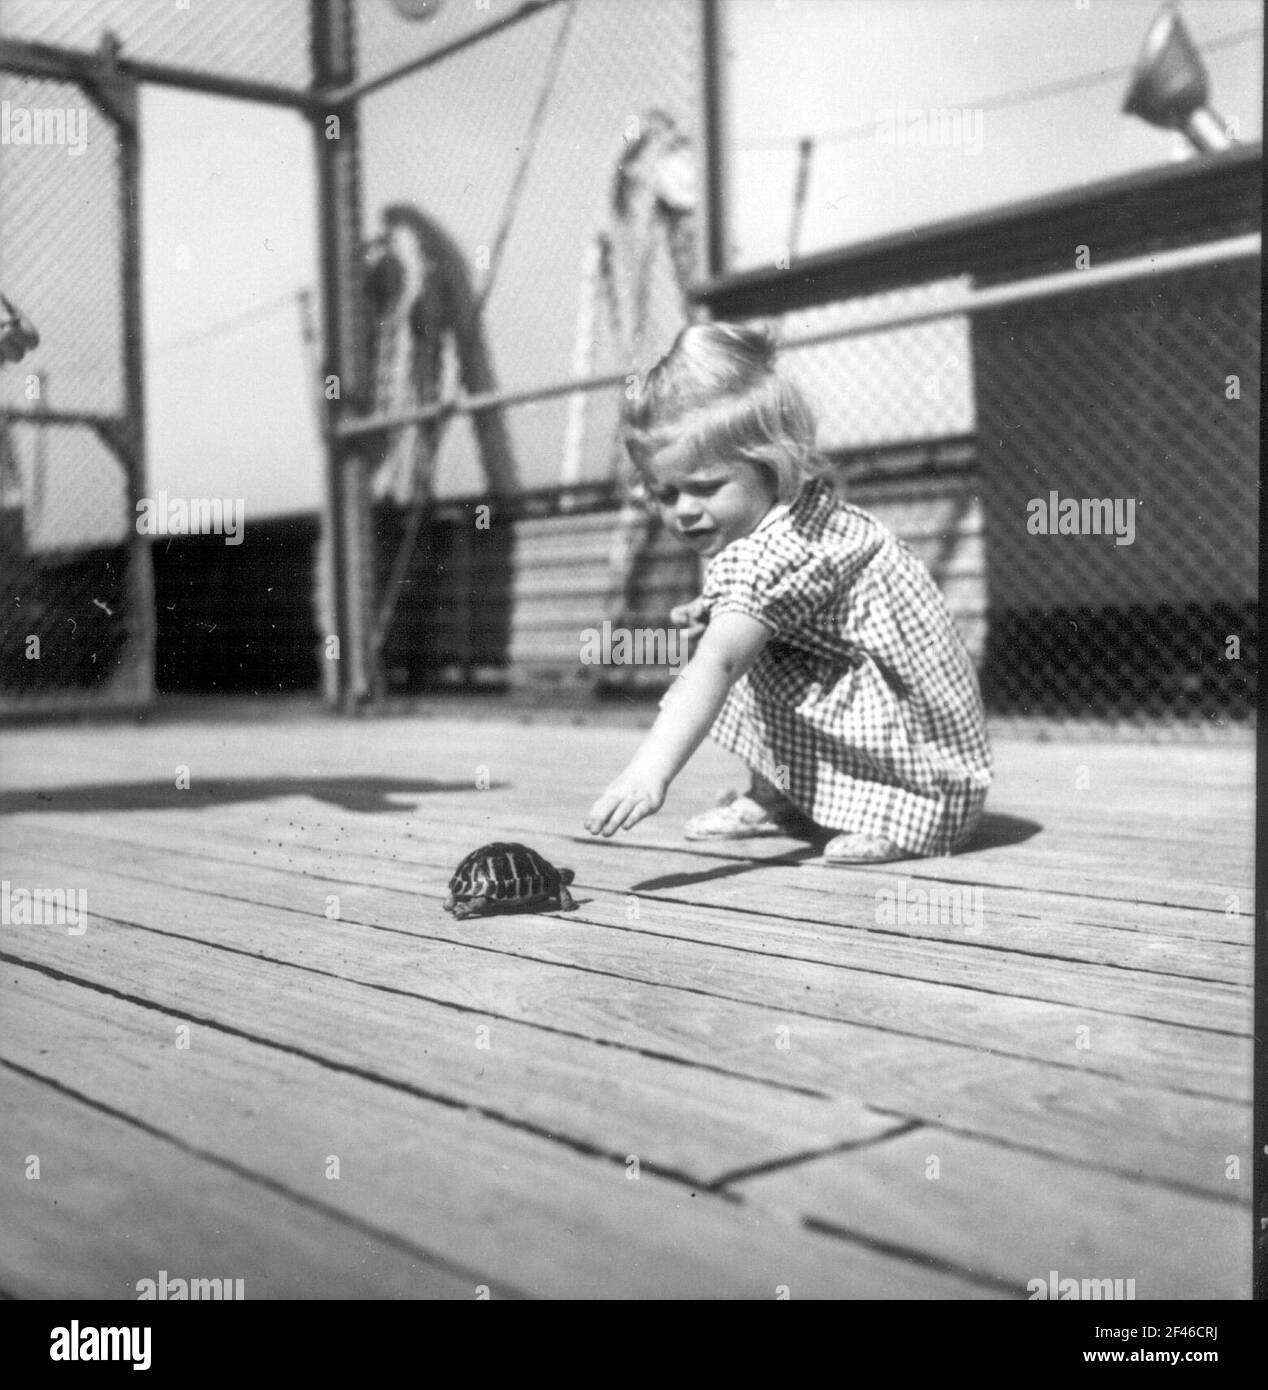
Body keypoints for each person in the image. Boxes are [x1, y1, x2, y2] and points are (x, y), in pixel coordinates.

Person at [583, 321, 991, 863]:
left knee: (725, 659)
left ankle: (901, 812)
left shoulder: (772, 554)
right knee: (745, 647)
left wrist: (647, 772)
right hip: (873, 687)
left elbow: (720, 662)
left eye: (705, 487)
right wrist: (714, 607)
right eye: (664, 493)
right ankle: (784, 794)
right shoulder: (797, 513)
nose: (683, 511)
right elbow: (798, 605)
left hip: (926, 762)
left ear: (771, 466)